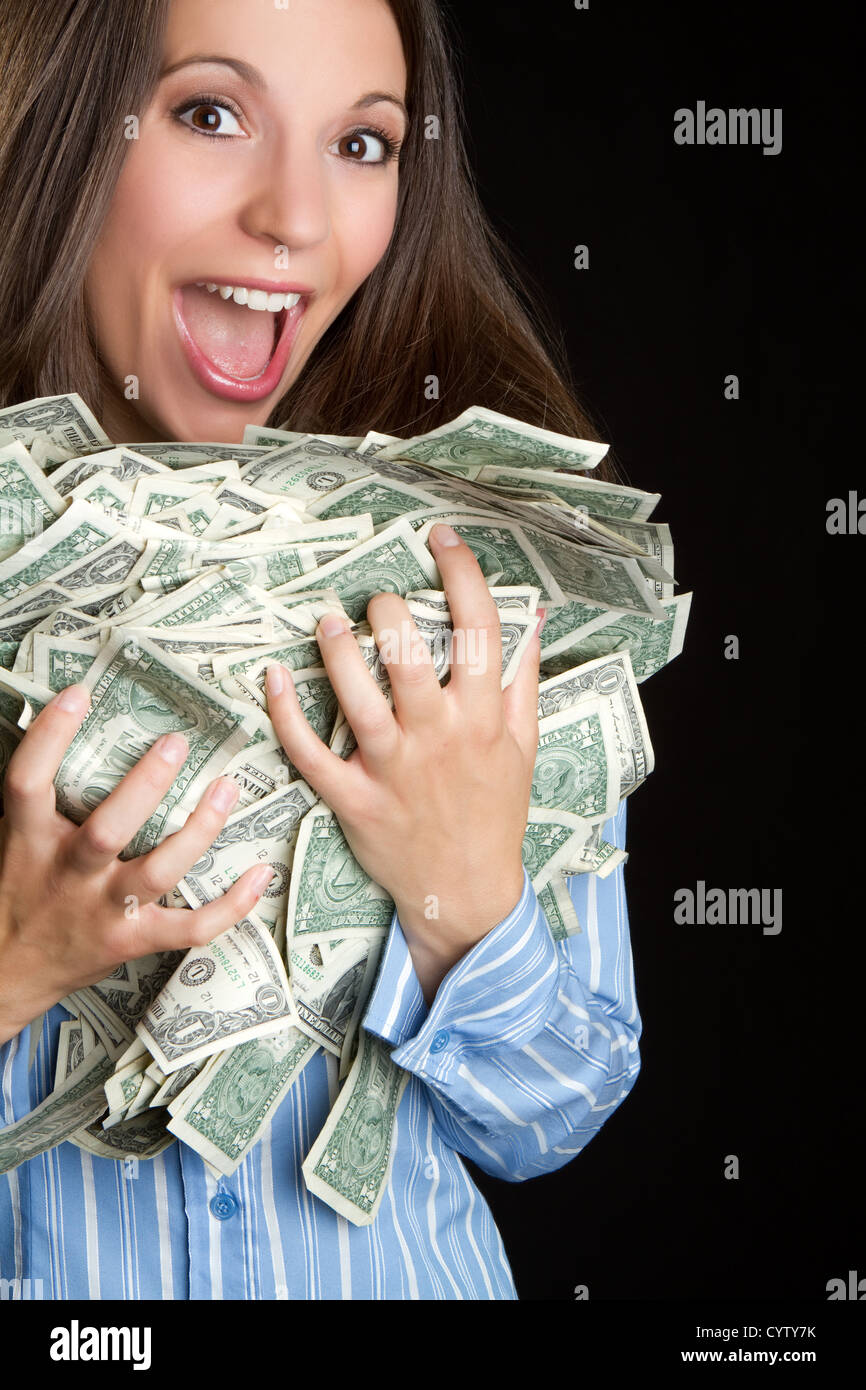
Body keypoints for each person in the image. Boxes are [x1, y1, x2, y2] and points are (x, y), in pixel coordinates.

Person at [0, 0, 641, 1299]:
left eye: (363, 142)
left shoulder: (470, 585)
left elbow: (550, 1117)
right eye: (210, 114)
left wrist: (465, 898)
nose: (294, 217)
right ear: (68, 129)